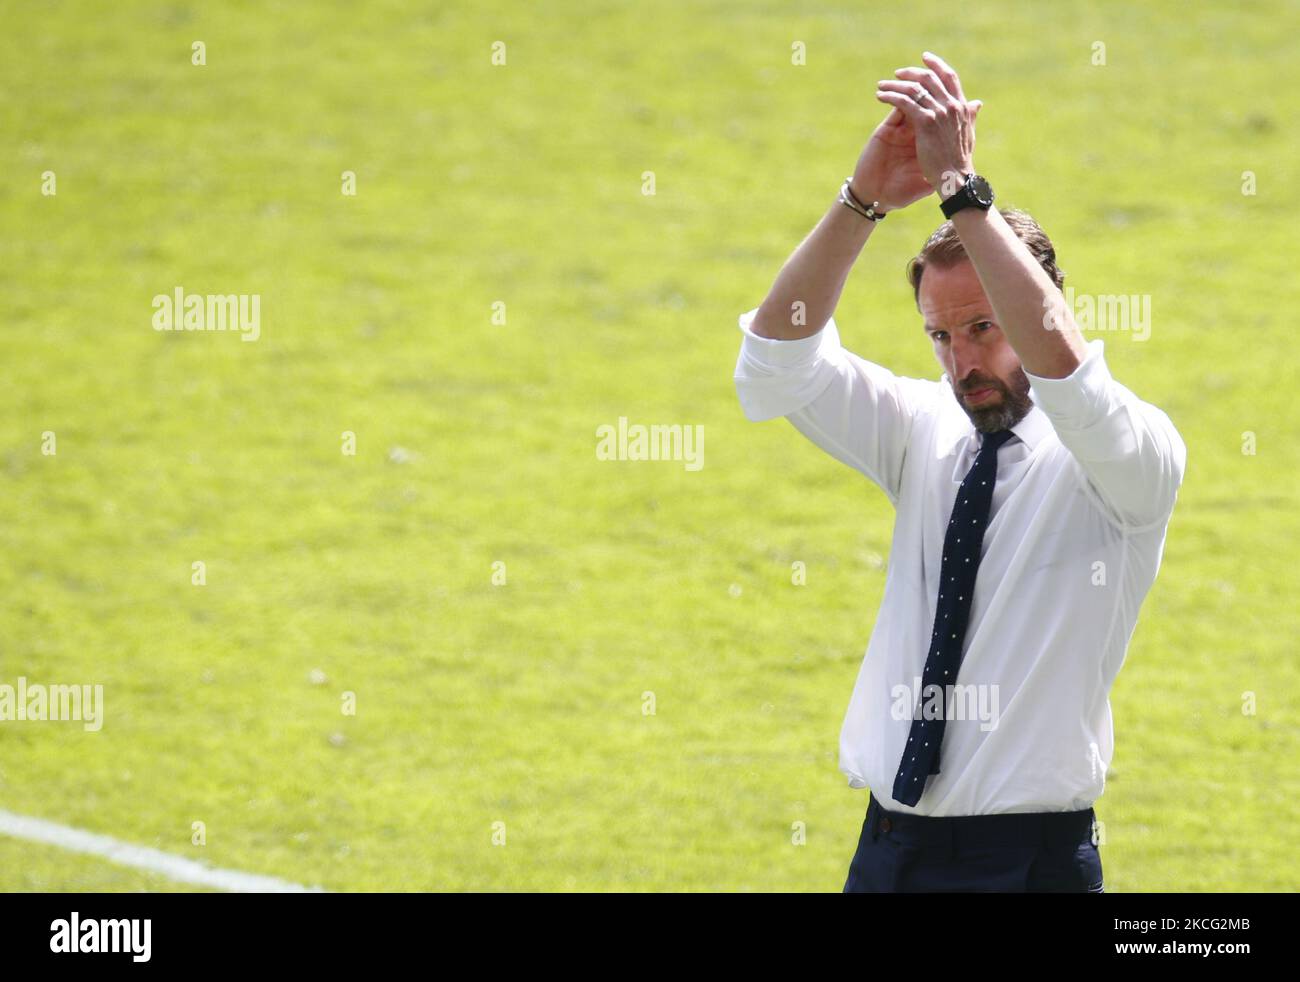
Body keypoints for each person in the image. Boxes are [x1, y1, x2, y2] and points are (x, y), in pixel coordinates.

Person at [732, 53, 1186, 892]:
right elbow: (772, 366)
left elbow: (1072, 381)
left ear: (1041, 302)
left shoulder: (1131, 456)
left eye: (982, 327)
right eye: (940, 336)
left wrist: (963, 193)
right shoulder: (922, 425)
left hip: (1027, 863)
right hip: (887, 851)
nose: (961, 362)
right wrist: (860, 201)